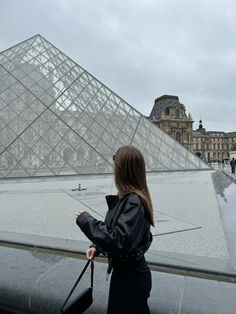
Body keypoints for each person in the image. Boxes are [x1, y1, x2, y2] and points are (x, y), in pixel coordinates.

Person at [75, 145, 154, 314]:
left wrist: (85, 220)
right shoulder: (126, 197)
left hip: (132, 278)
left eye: (115, 162)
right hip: (124, 273)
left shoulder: (134, 201)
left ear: (123, 169)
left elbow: (119, 240)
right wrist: (97, 247)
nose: (113, 168)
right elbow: (115, 232)